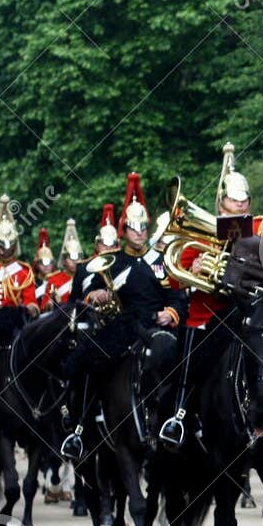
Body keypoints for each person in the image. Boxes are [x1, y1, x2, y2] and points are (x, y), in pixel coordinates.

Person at [159, 142, 263, 449]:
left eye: (244, 202)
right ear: (222, 203)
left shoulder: (257, 225)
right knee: (189, 362)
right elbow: (175, 278)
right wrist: (198, 266)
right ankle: (180, 415)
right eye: (233, 202)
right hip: (208, 313)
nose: (240, 207)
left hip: (247, 316)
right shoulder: (200, 232)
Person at [59, 179, 185, 460]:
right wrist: (97, 295)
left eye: (143, 228)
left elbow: (178, 299)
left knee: (187, 361)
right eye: (133, 228)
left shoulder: (162, 260)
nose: (139, 233)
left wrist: (171, 313)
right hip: (121, 327)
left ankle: (183, 422)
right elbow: (84, 294)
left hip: (156, 326)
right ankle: (80, 427)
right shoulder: (111, 261)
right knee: (87, 361)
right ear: (124, 229)